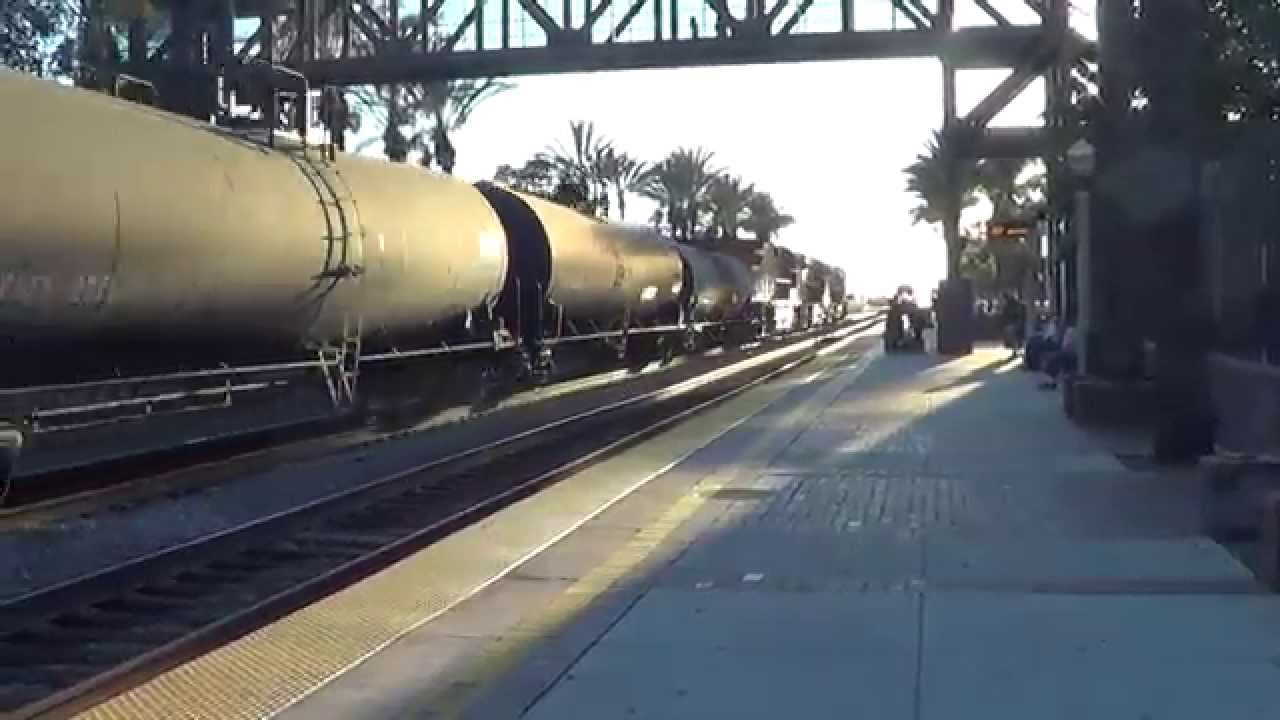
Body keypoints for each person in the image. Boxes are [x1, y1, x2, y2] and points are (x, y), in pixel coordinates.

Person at [1040, 323, 1077, 390]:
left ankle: (1052, 381)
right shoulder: (1068, 331)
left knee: (1052, 360)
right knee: (1052, 359)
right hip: (1067, 352)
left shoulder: (1070, 331)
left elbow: (1068, 345)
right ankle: (1052, 381)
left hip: (1068, 352)